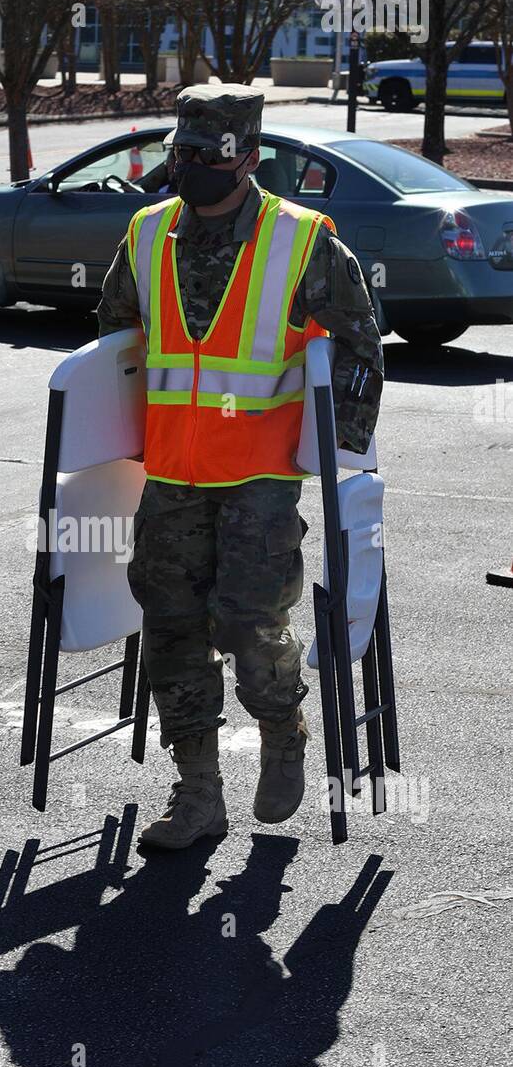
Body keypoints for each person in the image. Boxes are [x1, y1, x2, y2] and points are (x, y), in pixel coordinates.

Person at [97, 82, 384, 850]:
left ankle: (282, 729)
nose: (188, 168)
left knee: (251, 625)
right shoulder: (148, 231)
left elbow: (361, 343)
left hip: (259, 474)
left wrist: (340, 449)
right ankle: (196, 794)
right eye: (180, 154)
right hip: (172, 477)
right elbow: (115, 335)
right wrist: (110, 434)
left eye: (203, 156)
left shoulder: (303, 238)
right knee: (171, 629)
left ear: (246, 157)